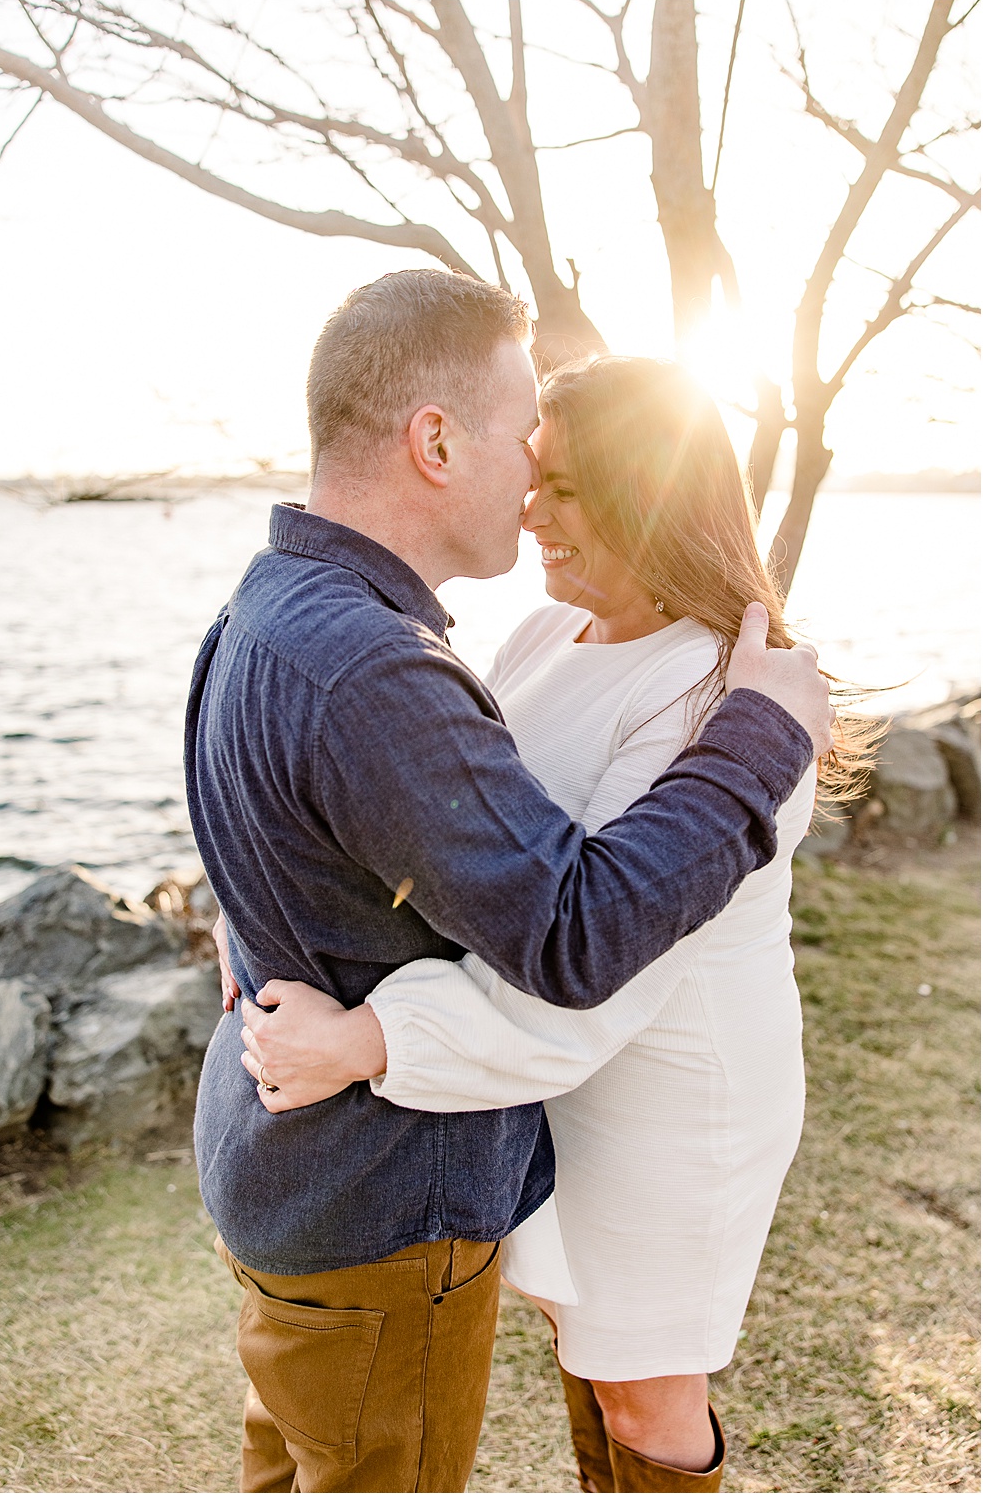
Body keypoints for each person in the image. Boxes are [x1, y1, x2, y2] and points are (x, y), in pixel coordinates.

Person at [186, 270, 832, 1495]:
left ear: (652, 499)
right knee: (583, 1354)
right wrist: (262, 906)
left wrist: (372, 1037)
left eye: (569, 482)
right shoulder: (530, 632)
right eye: (531, 458)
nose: (532, 499)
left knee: (643, 1390)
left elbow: (589, 947)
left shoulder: (723, 696)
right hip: (531, 1071)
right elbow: (407, 807)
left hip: (656, 1075)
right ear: (435, 440)